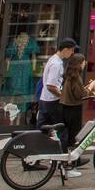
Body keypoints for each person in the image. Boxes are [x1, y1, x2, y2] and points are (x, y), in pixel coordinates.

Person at [39, 38, 80, 178]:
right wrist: (62, 96)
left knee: (42, 131)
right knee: (63, 131)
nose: (73, 53)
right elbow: (51, 85)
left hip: (45, 100)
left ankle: (35, 159)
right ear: (65, 49)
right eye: (72, 50)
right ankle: (64, 165)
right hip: (53, 102)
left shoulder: (52, 59)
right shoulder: (57, 64)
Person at [59, 53, 95, 165]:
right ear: (79, 64)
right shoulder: (76, 77)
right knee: (73, 137)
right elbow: (79, 95)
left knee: (68, 135)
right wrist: (91, 87)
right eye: (84, 62)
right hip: (73, 109)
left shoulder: (69, 75)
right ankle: (71, 161)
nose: (85, 63)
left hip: (66, 107)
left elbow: (76, 91)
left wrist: (86, 88)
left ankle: (71, 160)